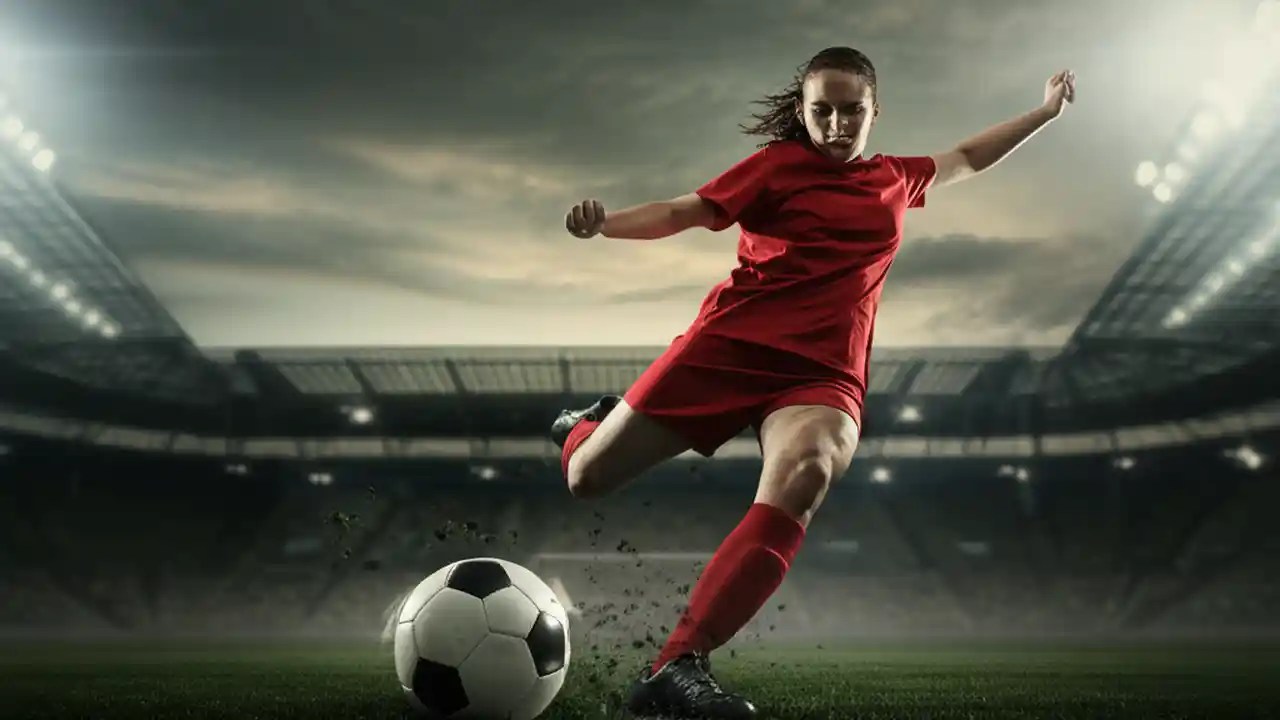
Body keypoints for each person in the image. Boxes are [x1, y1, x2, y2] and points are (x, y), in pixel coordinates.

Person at [553, 46, 1076, 719]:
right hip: (731, 346)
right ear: (802, 112)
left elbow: (967, 158)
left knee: (809, 471)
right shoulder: (773, 169)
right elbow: (686, 212)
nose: (835, 124)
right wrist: (605, 226)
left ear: (875, 111)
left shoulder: (896, 178)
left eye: (851, 111)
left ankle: (675, 667)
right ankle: (585, 427)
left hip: (821, 373)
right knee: (586, 478)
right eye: (821, 111)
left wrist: (1046, 111)